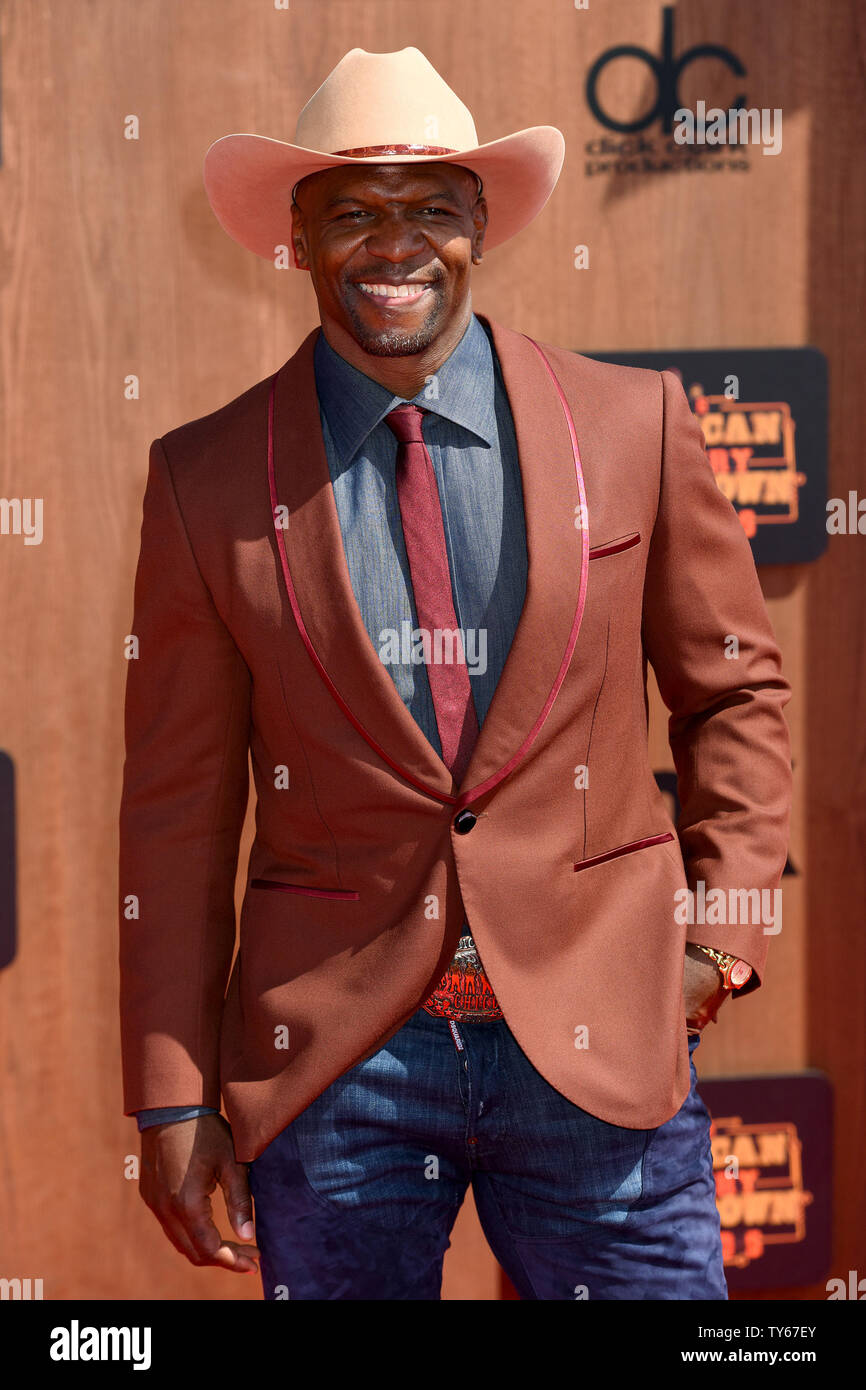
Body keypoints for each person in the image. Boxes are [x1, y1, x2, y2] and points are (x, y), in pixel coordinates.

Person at [119, 47, 792, 1300]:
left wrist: (720, 939)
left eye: (430, 204)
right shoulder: (203, 479)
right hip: (336, 1071)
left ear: (480, 220)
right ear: (298, 237)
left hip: (603, 1042)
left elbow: (734, 691)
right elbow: (174, 818)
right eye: (354, 210)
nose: (396, 242)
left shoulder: (631, 426)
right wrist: (168, 1097)